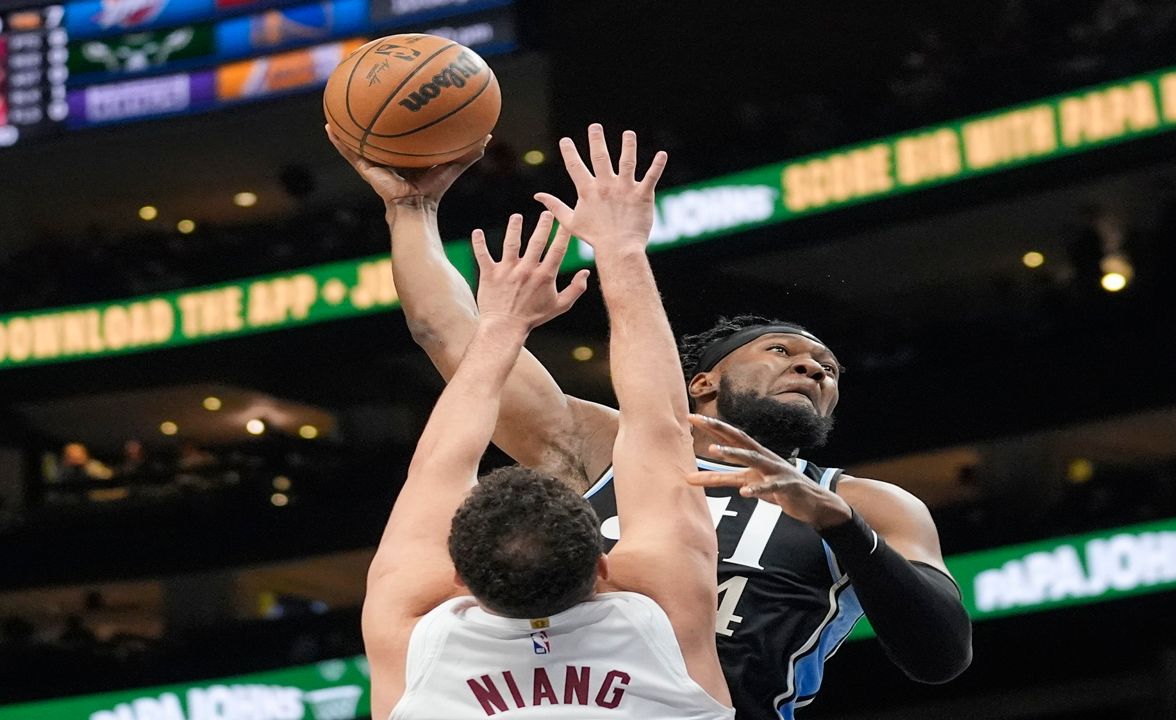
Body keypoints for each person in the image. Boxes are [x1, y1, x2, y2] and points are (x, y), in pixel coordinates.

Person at [333, 123, 971, 718]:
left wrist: (844, 527)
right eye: (783, 351)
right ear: (701, 382)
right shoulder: (604, 445)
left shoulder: (865, 504)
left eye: (827, 367)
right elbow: (449, 335)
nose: (813, 369)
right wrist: (412, 212)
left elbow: (941, 658)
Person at [360, 147, 733, 720]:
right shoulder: (661, 613)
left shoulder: (411, 636)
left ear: (456, 578)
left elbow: (438, 462)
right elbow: (659, 427)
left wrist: (502, 327)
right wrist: (622, 248)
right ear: (605, 566)